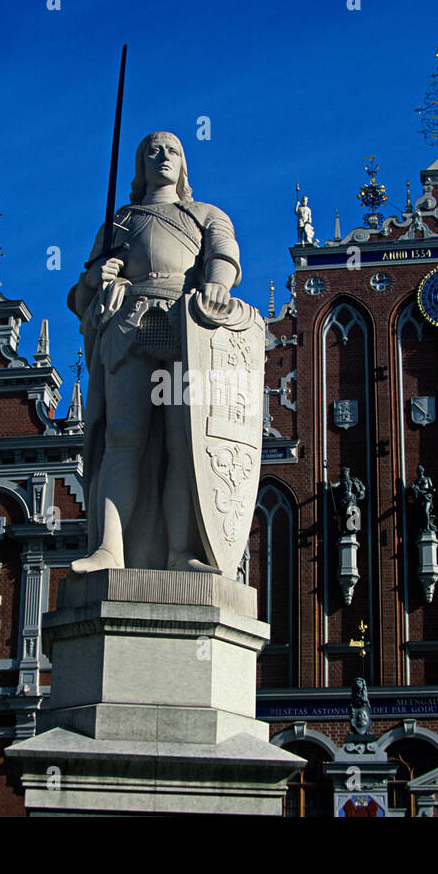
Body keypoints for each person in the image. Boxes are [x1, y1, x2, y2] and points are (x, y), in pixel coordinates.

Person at [67, 132, 252, 574]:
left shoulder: (206, 213)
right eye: (153, 151)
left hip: (184, 327)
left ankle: (181, 552)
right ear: (140, 166)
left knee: (184, 444)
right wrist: (96, 278)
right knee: (122, 441)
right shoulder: (119, 223)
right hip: (128, 325)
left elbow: (225, 256)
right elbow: (78, 298)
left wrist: (218, 284)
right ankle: (110, 549)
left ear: (183, 164)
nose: (163, 156)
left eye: (173, 151)